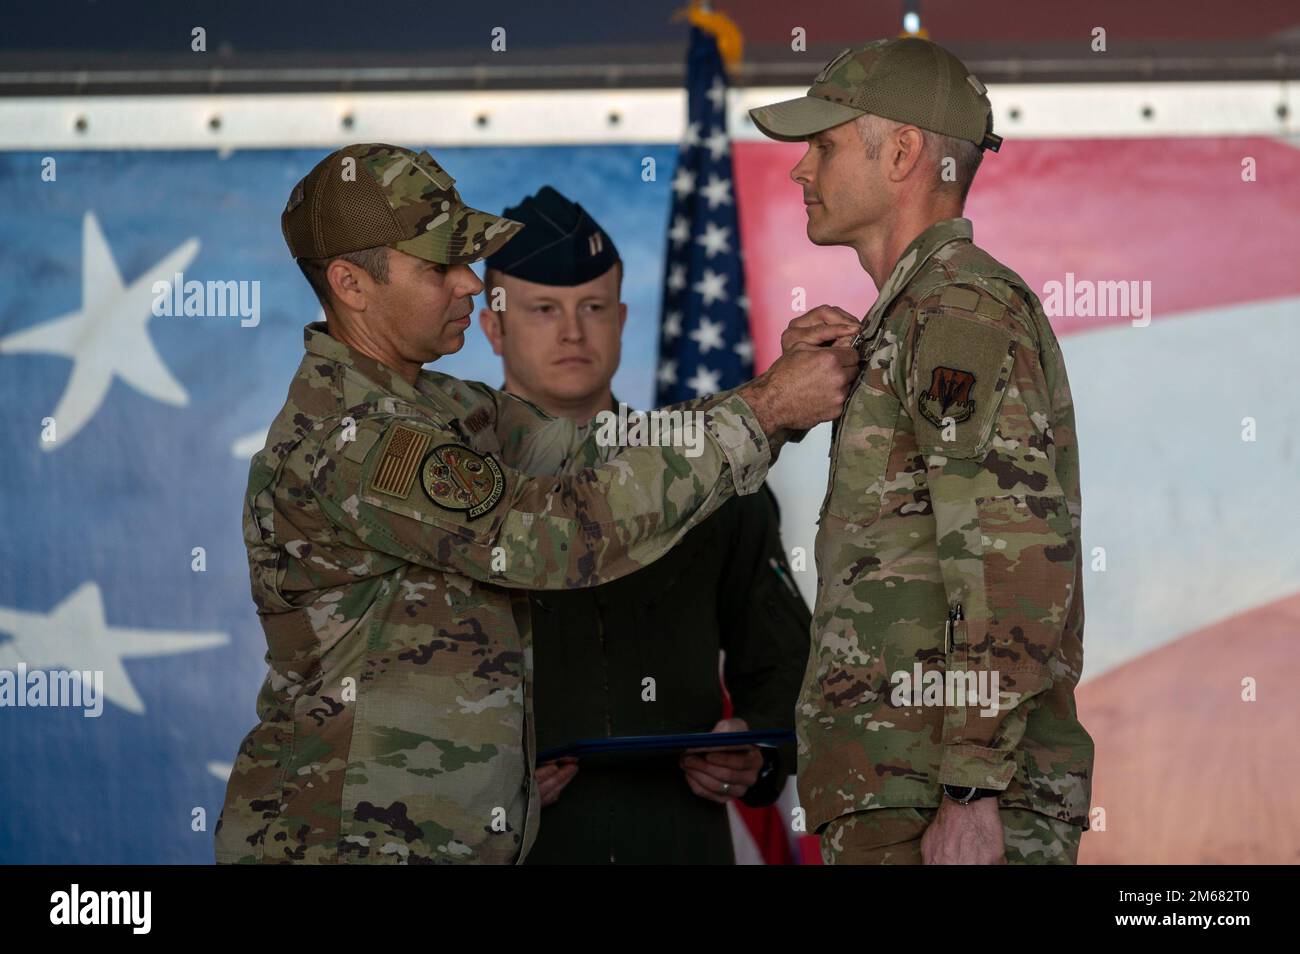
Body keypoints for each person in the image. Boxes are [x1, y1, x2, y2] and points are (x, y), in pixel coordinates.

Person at [214, 143, 856, 864]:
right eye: (439, 267)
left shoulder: (440, 406)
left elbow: (604, 453)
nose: (467, 284)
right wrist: (767, 409)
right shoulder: (356, 441)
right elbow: (554, 536)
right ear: (351, 284)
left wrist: (775, 394)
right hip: (353, 845)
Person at [749, 38, 1094, 864]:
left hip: (940, 799)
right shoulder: (909, 319)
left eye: (824, 145)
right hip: (899, 790)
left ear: (903, 152)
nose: (801, 171)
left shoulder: (957, 310)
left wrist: (972, 793)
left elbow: (1012, 557)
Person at [475, 186, 811, 864]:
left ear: (623, 319)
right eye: (544, 309)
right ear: (493, 326)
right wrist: (473, 780)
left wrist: (756, 748)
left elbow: (784, 659)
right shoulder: (456, 484)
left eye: (593, 308)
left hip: (676, 840)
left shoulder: (705, 468)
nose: (574, 331)